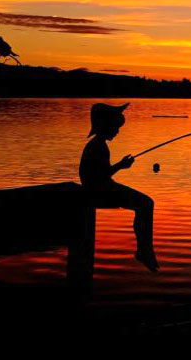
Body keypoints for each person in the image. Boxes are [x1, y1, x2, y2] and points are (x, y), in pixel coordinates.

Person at [79, 102, 159, 272]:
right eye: (115, 127)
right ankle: (144, 250)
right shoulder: (97, 146)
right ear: (106, 125)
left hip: (102, 188)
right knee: (145, 204)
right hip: (100, 192)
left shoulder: (98, 145)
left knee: (144, 204)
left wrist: (119, 165)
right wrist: (120, 166)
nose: (117, 131)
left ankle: (144, 249)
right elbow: (100, 176)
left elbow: (101, 173)